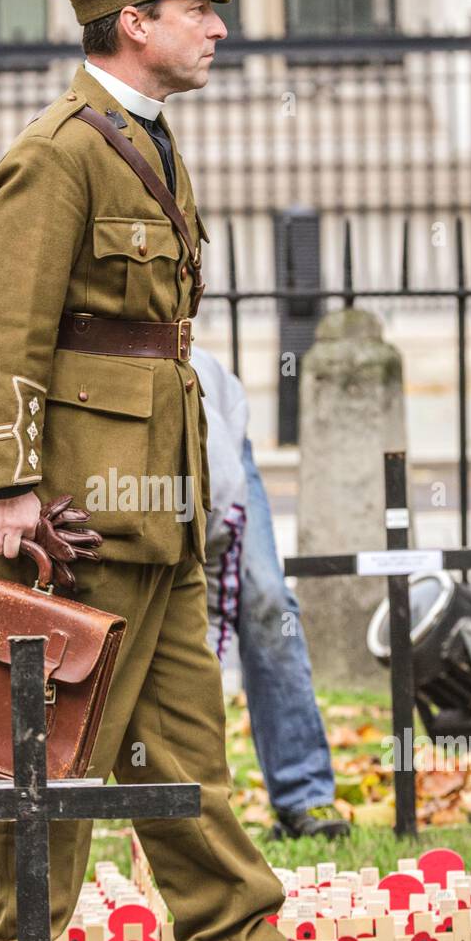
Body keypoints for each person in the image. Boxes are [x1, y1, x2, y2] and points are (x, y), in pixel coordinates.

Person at [0, 0, 368, 941]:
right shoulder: (60, 150)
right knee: (61, 740)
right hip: (78, 510)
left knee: (175, 738)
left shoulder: (145, 139)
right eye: (198, 11)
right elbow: (0, 326)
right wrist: (3, 486)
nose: (218, 28)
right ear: (135, 23)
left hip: (159, 494)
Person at [192, 346, 350, 841]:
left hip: (218, 460)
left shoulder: (214, 459)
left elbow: (218, 585)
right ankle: (6, 801)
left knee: (266, 603)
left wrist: (208, 652)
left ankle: (304, 795)